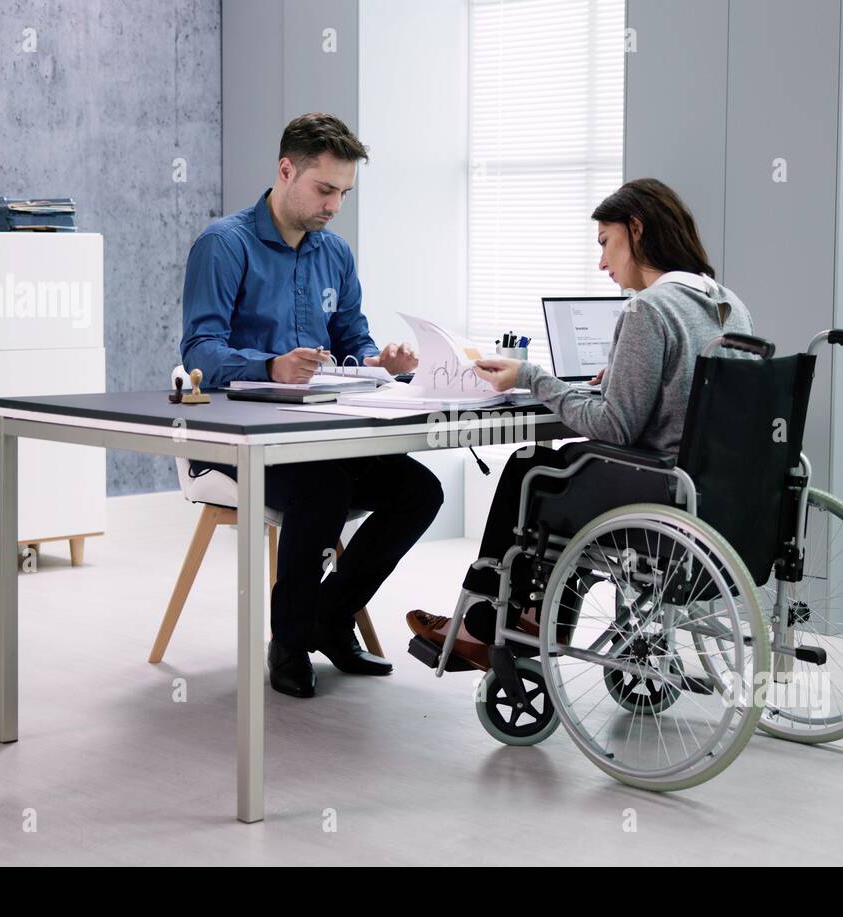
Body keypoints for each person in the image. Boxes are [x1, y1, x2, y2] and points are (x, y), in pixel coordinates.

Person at [407, 178, 754, 666]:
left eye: (605, 243)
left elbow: (614, 428)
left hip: (656, 489)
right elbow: (690, 399)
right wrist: (621, 380)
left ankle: (481, 625)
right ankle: (531, 614)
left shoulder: (649, 308)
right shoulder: (729, 305)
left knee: (532, 466)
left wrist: (532, 376)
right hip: (713, 490)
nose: (603, 263)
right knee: (557, 470)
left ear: (636, 229)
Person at [181, 112, 443, 698]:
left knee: (420, 491)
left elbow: (355, 342)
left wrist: (382, 362)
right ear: (285, 170)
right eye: (325, 190)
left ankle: (332, 614)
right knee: (323, 487)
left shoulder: (336, 254)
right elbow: (200, 351)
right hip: (238, 442)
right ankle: (291, 641)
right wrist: (270, 366)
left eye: (344, 193)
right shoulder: (224, 245)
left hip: (322, 436)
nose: (334, 206)